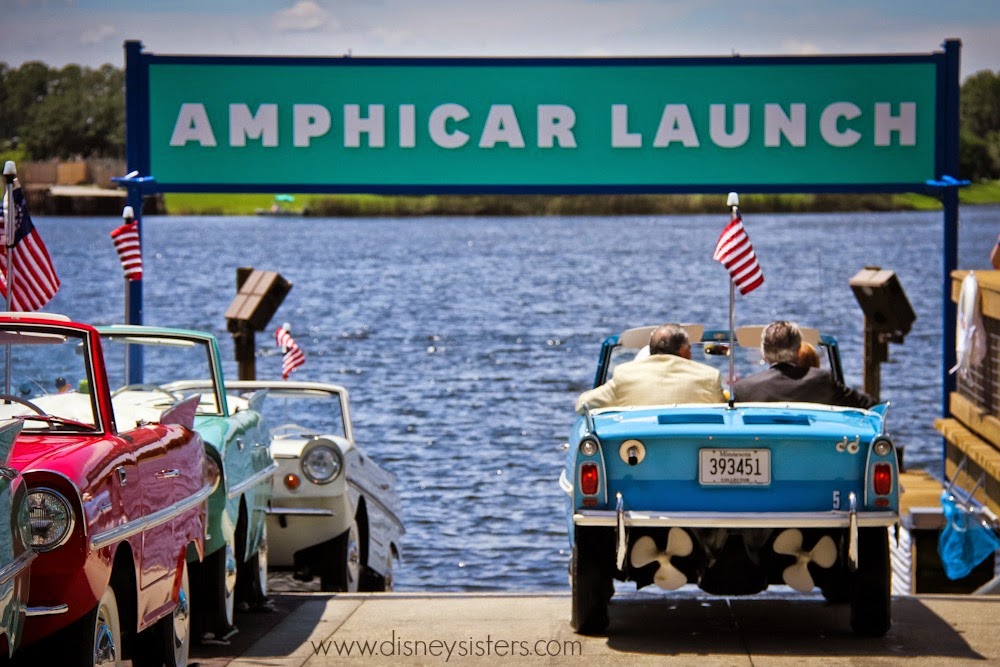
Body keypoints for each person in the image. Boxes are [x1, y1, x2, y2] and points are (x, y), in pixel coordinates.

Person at [575, 323, 725, 412]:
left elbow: (584, 404)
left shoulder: (626, 374)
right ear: (684, 350)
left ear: (651, 349)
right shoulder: (709, 376)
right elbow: (727, 413)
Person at [733, 320, 875, 407]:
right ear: (798, 350)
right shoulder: (821, 380)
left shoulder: (743, 389)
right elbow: (867, 404)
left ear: (763, 353)